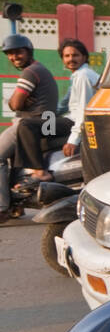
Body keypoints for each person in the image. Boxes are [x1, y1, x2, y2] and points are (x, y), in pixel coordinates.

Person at [18, 39, 100, 182]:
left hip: (75, 122)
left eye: (75, 55)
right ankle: (25, 174)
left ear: (84, 57)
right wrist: (42, 115)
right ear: (62, 59)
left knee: (26, 125)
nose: (71, 59)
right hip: (70, 119)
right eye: (66, 56)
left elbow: (83, 111)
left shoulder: (83, 76)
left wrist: (74, 140)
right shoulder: (78, 75)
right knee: (39, 138)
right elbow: (62, 105)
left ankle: (40, 172)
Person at [1, 34, 63, 215]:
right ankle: (15, 206)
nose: (14, 57)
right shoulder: (40, 70)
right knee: (13, 162)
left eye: (18, 52)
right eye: (10, 54)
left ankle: (1, 207)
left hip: (30, 124)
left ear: (28, 52)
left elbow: (16, 104)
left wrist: (14, 101)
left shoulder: (30, 72)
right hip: (44, 122)